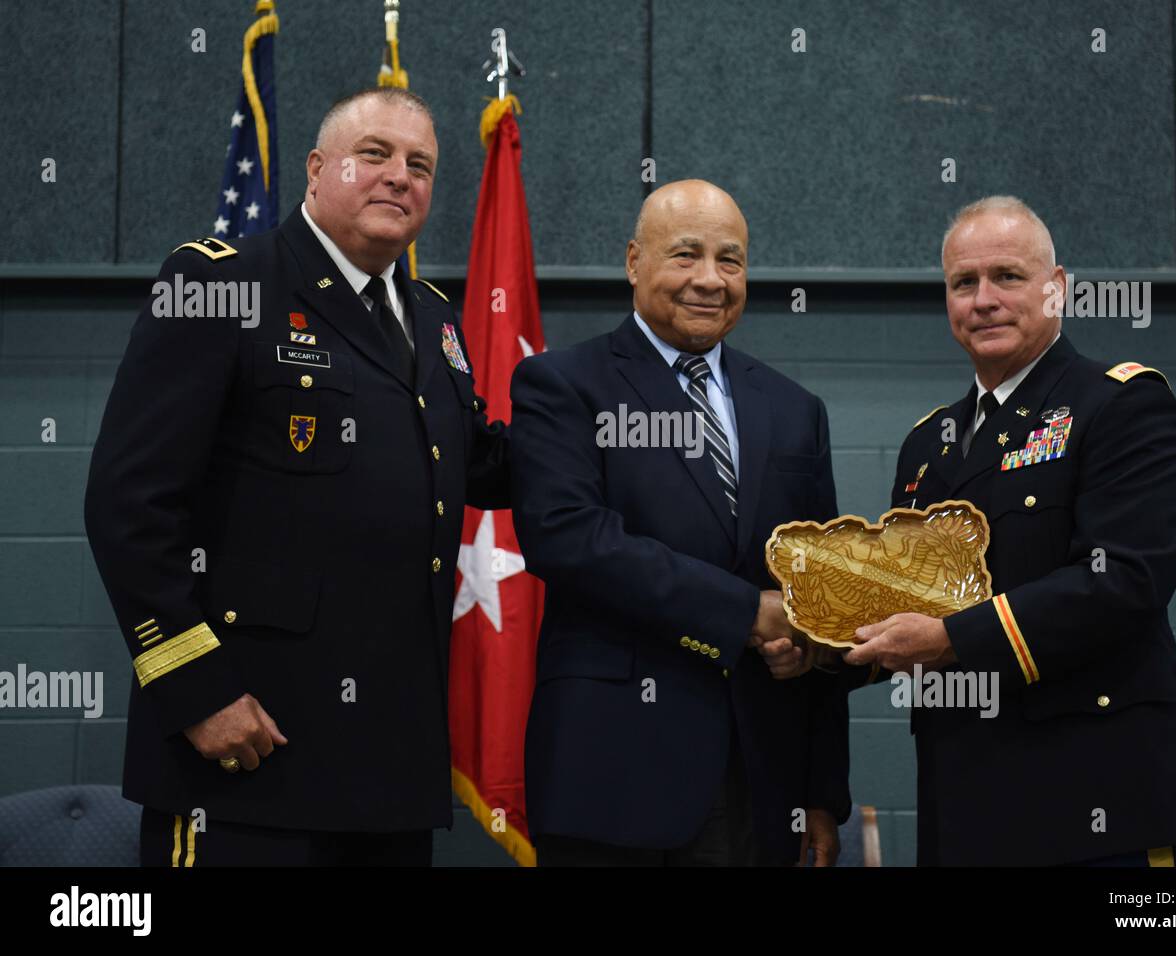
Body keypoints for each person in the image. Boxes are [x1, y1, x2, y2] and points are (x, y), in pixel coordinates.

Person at [83, 88, 509, 866]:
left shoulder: (434, 319)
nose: (399, 177)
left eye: (420, 165)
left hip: (389, 771)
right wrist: (197, 690)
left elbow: (476, 462)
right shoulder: (222, 284)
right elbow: (127, 504)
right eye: (374, 153)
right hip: (245, 755)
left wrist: (608, 418)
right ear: (316, 170)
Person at [840, 196, 1176, 865]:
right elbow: (905, 605)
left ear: (1059, 288)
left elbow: (1125, 581)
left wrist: (949, 639)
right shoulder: (928, 442)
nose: (983, 299)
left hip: (1098, 802)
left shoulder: (1121, 403)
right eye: (964, 283)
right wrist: (813, 645)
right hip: (965, 804)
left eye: (1007, 277)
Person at [509, 180, 848, 866]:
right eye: (686, 255)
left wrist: (821, 789)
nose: (710, 280)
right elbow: (569, 539)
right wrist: (747, 612)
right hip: (615, 777)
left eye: (731, 261)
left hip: (763, 780)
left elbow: (823, 591)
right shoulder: (562, 385)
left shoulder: (794, 408)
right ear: (634, 262)